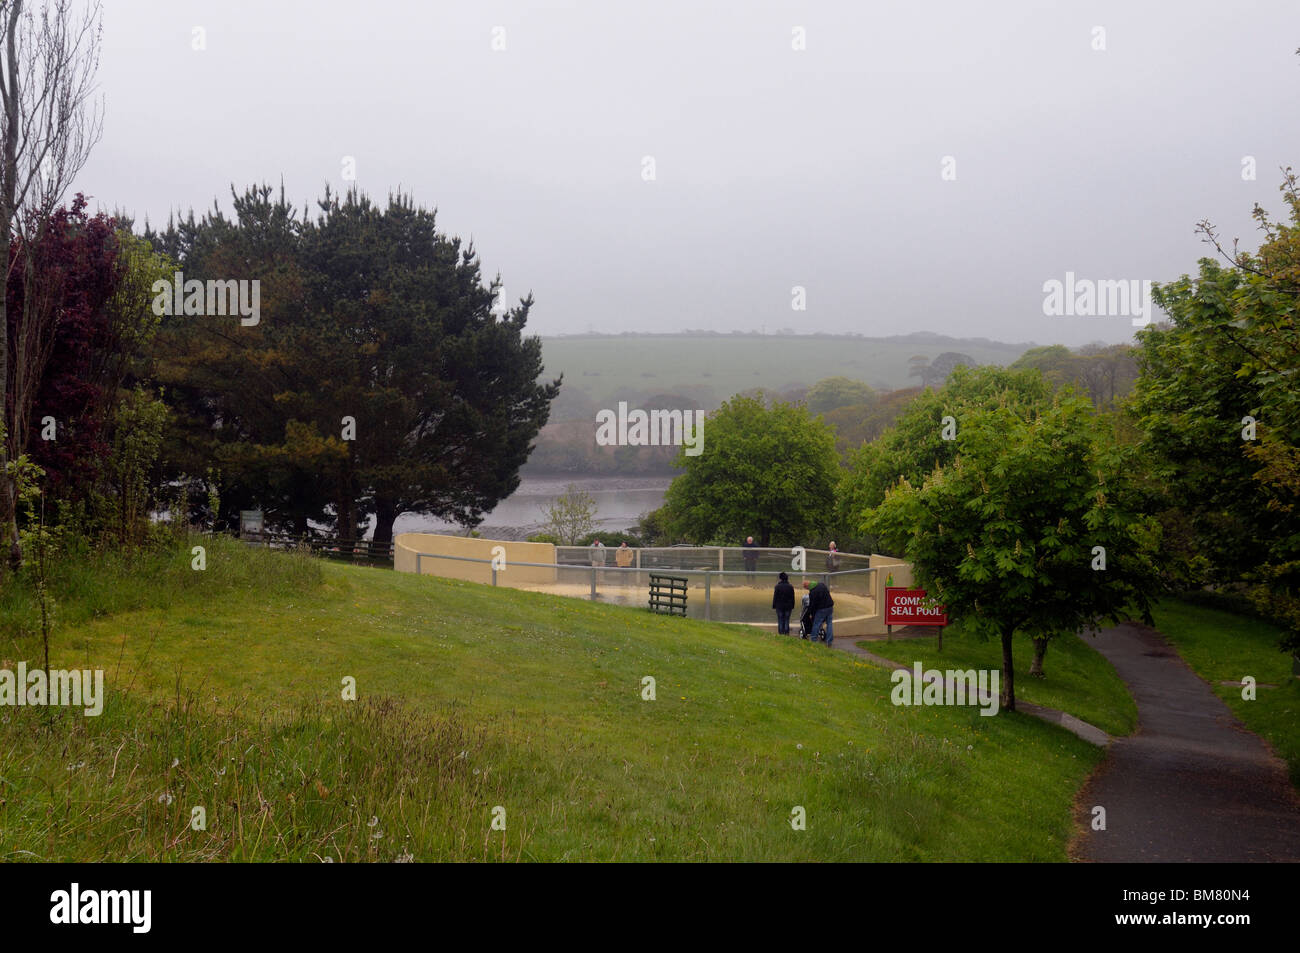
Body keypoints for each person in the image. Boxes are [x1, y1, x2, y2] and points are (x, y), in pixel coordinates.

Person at [807, 578, 834, 647]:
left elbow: (812, 605)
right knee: (829, 624)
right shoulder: (822, 585)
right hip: (830, 607)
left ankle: (813, 639)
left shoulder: (812, 592)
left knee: (817, 624)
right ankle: (829, 641)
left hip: (822, 609)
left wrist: (810, 613)